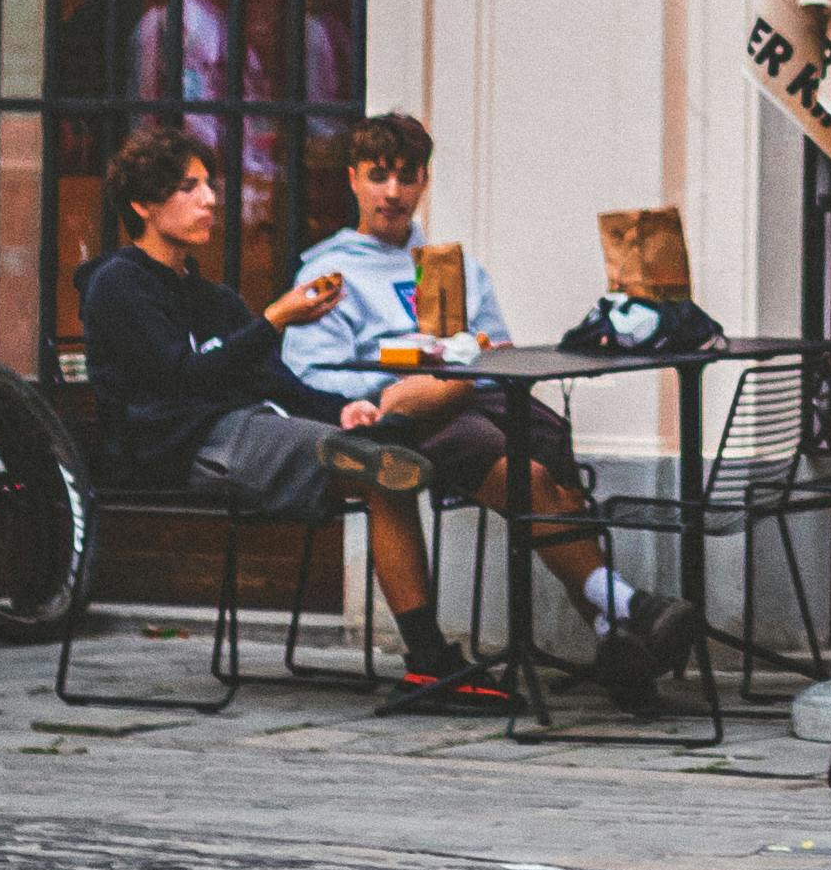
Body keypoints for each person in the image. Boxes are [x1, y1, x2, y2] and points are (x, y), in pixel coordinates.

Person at [285, 111, 705, 715]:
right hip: (393, 414)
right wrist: (376, 389)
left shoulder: (451, 264)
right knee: (499, 454)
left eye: (407, 177)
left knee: (546, 451)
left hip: (473, 398)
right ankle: (623, 614)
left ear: (425, 180)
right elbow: (309, 371)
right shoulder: (329, 271)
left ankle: (620, 628)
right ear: (353, 179)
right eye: (378, 176)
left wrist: (474, 357)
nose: (393, 192)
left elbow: (495, 350)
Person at [78, 126, 504, 708]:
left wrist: (345, 409)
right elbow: (183, 379)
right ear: (145, 206)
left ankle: (427, 662)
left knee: (384, 464)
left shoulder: (211, 297)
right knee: (381, 466)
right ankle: (429, 660)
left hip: (247, 431)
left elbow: (274, 382)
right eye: (188, 189)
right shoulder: (118, 284)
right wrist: (275, 320)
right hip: (178, 448)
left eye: (209, 186)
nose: (209, 201)